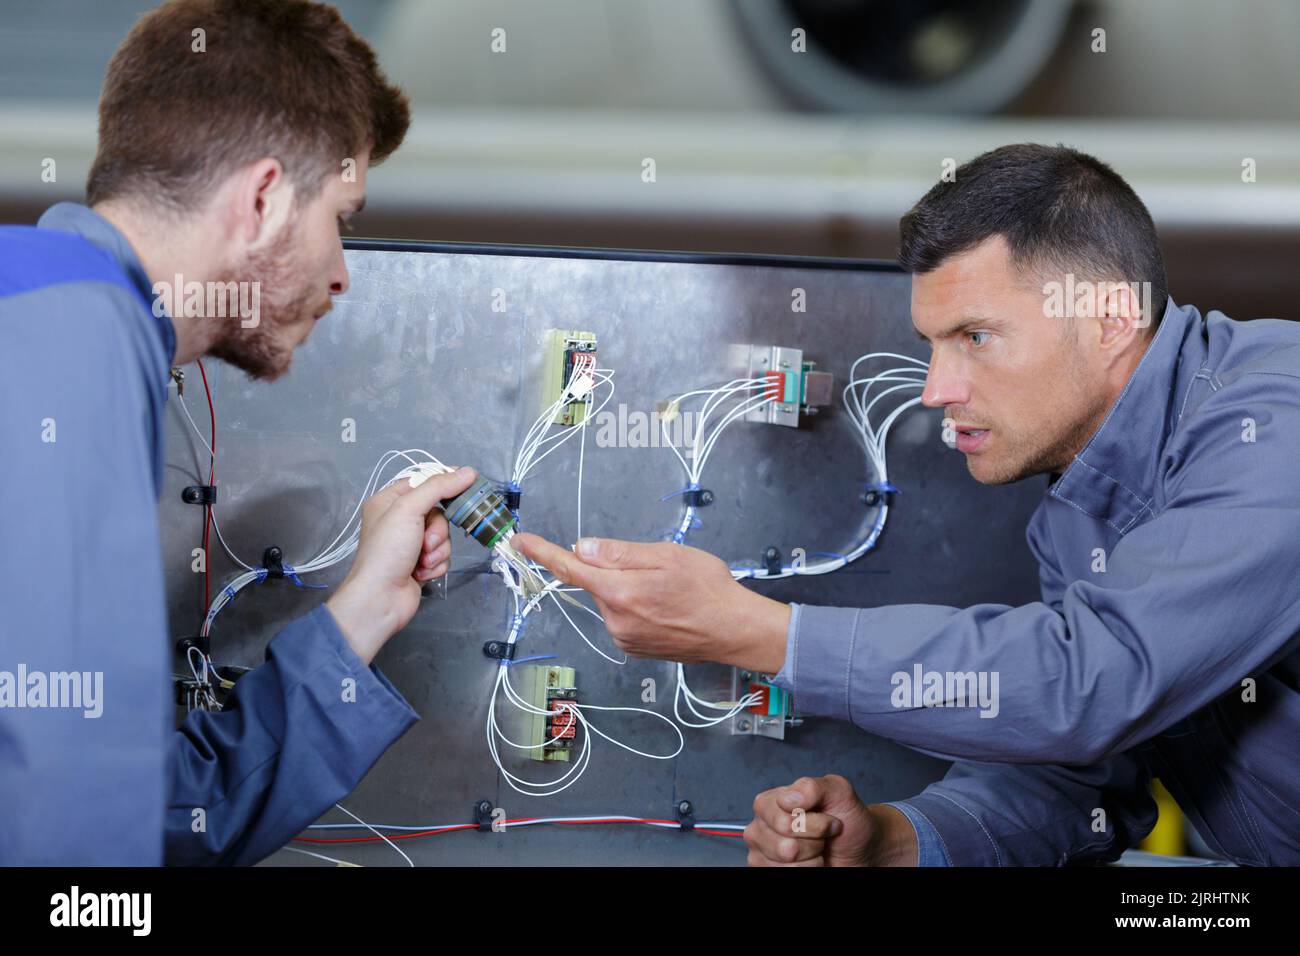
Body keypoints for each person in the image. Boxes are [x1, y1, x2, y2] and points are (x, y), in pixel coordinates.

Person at [514, 144, 1300, 866]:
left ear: (1110, 318)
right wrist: (894, 841)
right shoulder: (1076, 513)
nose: (936, 390)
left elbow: (1092, 683)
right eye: (932, 344)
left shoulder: (1274, 414)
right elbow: (1075, 777)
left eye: (976, 338)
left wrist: (759, 632)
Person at [0, 0, 476, 865]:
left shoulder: (53, 312)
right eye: (343, 219)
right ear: (261, 199)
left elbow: (150, 811)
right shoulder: (79, 337)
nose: (341, 277)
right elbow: (75, 838)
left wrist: (362, 613)